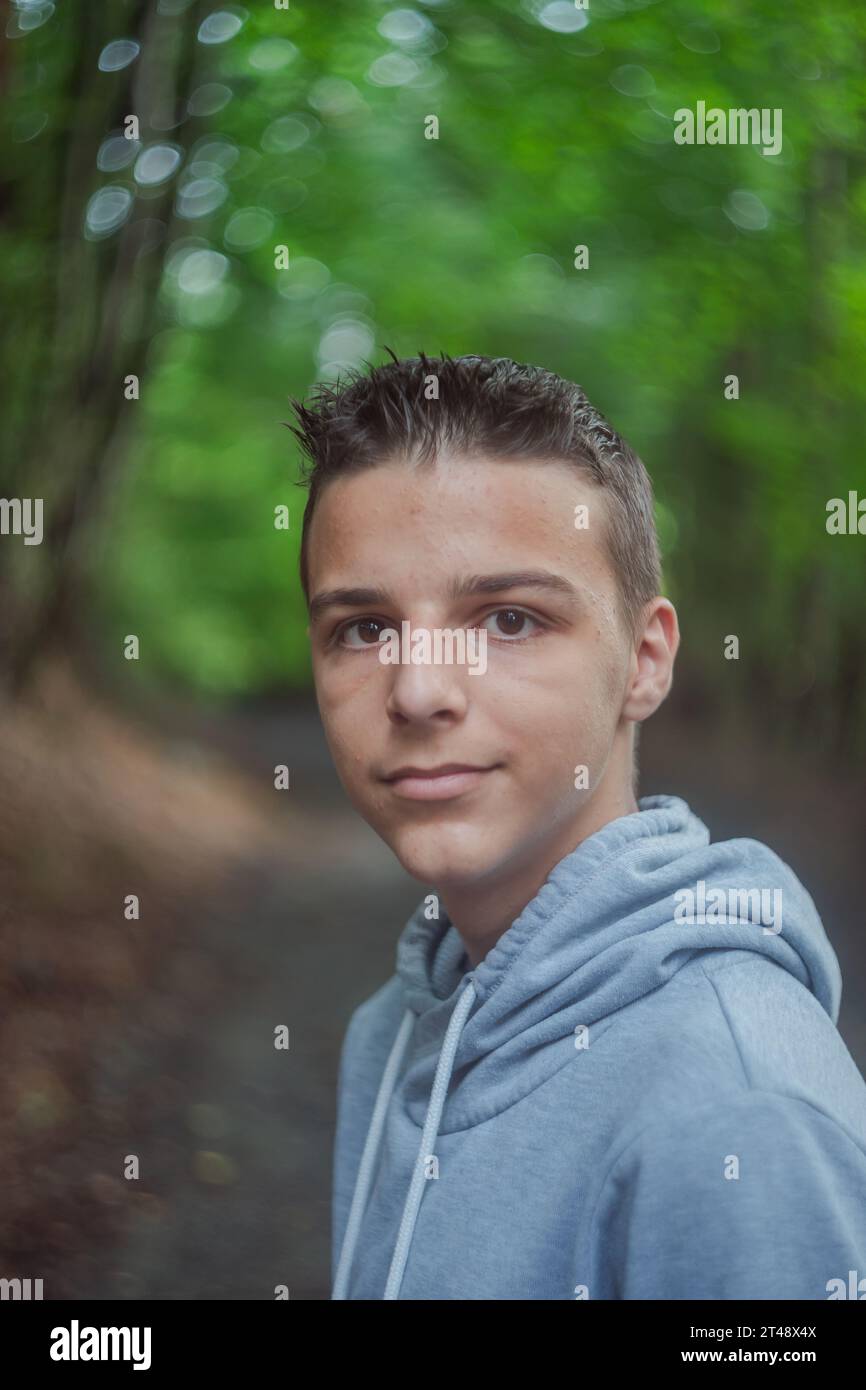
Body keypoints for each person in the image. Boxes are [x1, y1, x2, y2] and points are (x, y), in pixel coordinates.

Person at [289, 350, 866, 1300]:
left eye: (508, 620)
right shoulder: (390, 1033)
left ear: (644, 661)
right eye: (365, 628)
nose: (420, 690)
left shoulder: (737, 1113)